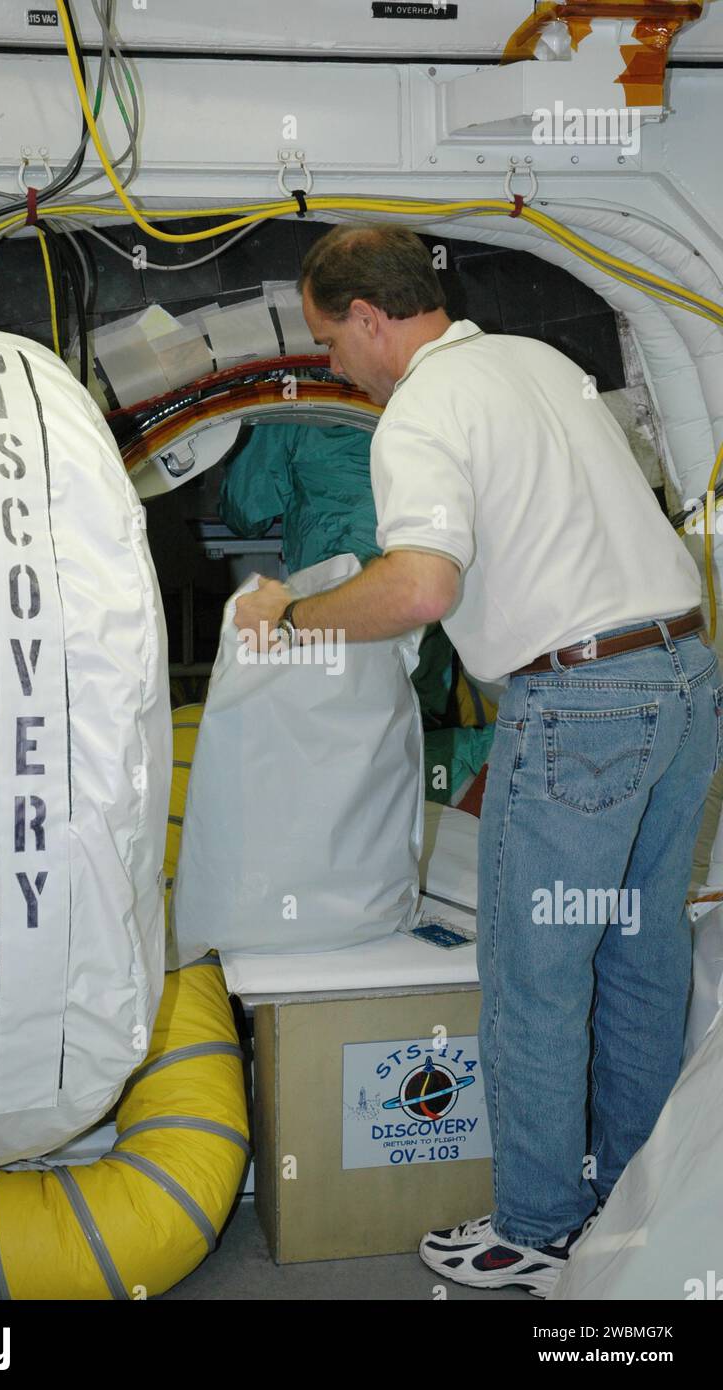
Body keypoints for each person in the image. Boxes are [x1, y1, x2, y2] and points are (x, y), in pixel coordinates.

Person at [232, 223, 719, 1297]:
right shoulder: (541, 363)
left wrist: (294, 612)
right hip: (686, 676)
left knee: (537, 976)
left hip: (584, 698)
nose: (328, 364)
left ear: (370, 319)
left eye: (327, 339)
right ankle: (630, 1206)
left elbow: (422, 588)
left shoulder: (419, 411)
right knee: (638, 957)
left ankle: (539, 1229)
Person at [220, 424, 495, 799]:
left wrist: (248, 439)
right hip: (424, 601)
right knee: (411, 725)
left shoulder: (298, 411)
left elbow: (244, 509)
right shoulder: (428, 411)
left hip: (335, 608)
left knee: (341, 735)